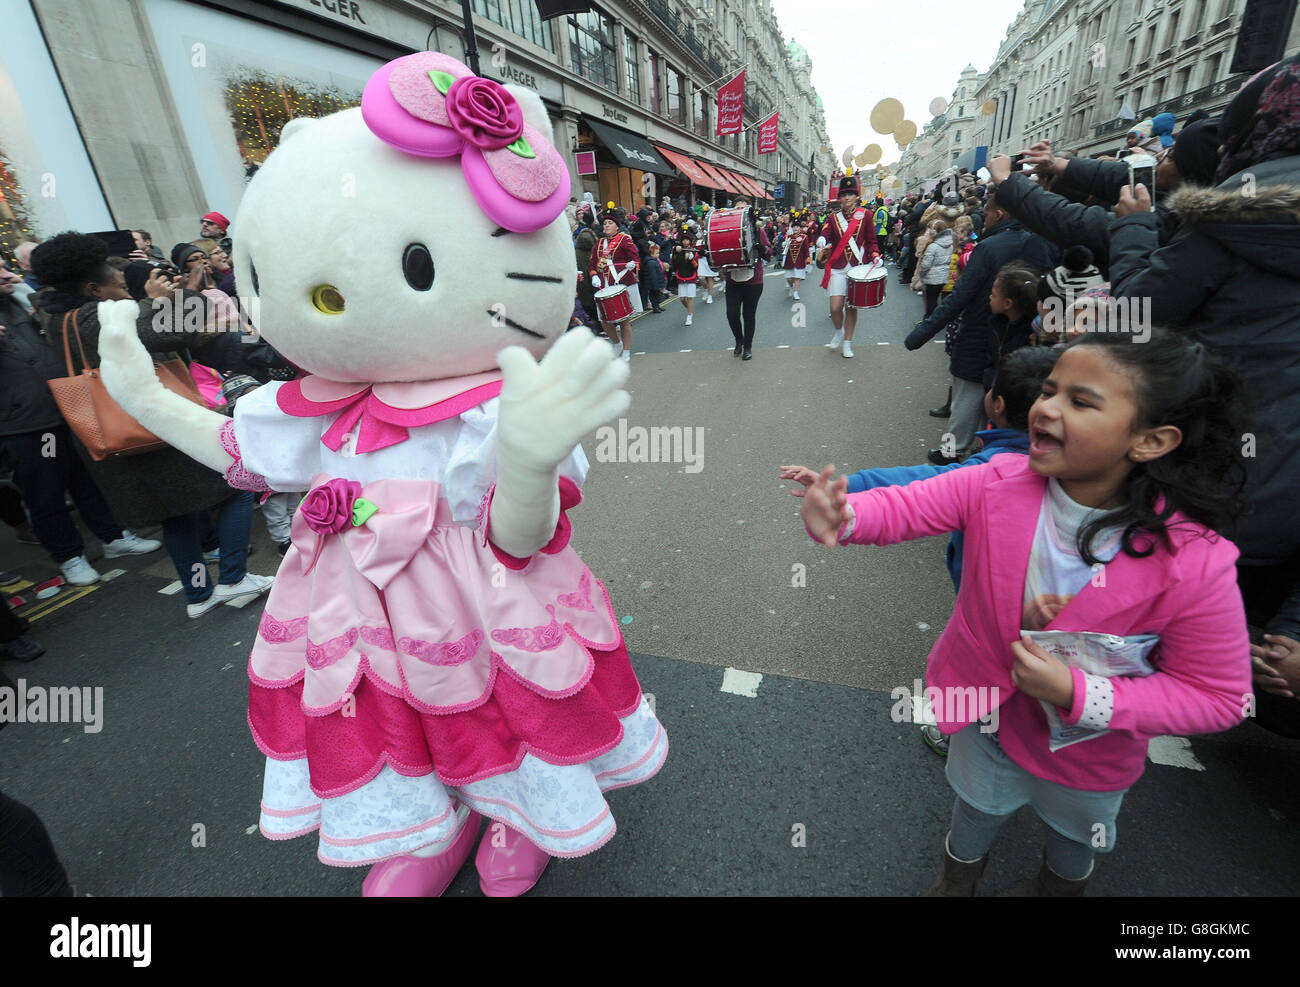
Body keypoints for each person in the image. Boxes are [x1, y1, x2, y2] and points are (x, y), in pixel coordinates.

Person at [801, 330, 1252, 896]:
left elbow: (1219, 696)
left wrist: (1078, 691)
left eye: (1080, 401)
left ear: (1151, 440)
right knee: (972, 815)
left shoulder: (1195, 561)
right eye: (1048, 390)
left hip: (1091, 755)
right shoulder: (997, 481)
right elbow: (908, 504)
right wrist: (846, 516)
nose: (1047, 407)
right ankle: (955, 883)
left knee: (1071, 843)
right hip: (987, 718)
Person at [1106, 53, 1300, 672]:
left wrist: (1134, 233)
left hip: (1208, 477)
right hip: (1280, 496)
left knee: (1128, 625)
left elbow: (1129, 317)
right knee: (1231, 649)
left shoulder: (1227, 222)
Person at [28, 231, 272, 616]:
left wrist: (151, 301)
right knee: (237, 486)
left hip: (125, 434)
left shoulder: (58, 316)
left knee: (175, 515)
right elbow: (179, 327)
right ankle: (234, 578)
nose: (120, 279)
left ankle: (198, 595)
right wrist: (176, 295)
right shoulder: (101, 318)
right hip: (156, 428)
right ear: (93, 288)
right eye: (114, 277)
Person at [0, 254, 162, 585]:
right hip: (31, 425)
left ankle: (113, 537)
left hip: (66, 407)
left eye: (5, 268)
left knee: (84, 478)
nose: (9, 276)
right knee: (47, 488)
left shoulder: (17, 303)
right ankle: (69, 556)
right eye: (0, 272)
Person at [905, 187, 1058, 464]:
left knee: (966, 397)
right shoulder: (1042, 242)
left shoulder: (989, 247)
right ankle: (990, 449)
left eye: (986, 213)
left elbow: (961, 295)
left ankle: (951, 451)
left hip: (979, 330)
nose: (982, 219)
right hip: (1021, 334)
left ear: (998, 214)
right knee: (1003, 394)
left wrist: (922, 332)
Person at [815, 176, 881, 358]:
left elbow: (871, 241)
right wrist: (822, 239)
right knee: (835, 307)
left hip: (857, 268)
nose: (847, 198)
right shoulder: (833, 217)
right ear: (840, 198)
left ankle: (848, 343)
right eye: (844, 195)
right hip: (837, 266)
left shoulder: (866, 215)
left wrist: (875, 255)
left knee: (851, 307)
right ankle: (838, 331)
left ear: (856, 197)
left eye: (850, 195)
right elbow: (825, 232)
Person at [720, 195, 771, 360]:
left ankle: (747, 347)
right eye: (737, 207)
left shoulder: (758, 230)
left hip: (753, 280)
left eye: (743, 208)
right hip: (732, 279)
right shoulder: (727, 229)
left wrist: (760, 246)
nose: (740, 210)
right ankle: (739, 340)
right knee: (732, 314)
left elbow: (769, 254)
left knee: (749, 315)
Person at [589, 212, 640, 361]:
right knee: (604, 320)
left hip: (622, 282)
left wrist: (632, 265)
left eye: (610, 223)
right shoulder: (598, 244)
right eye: (605, 224)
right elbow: (592, 265)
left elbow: (635, 259)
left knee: (624, 320)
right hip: (604, 284)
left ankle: (626, 349)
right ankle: (617, 343)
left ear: (617, 226)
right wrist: (594, 276)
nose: (606, 226)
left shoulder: (624, 239)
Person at [671, 229, 700, 326]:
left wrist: (691, 259)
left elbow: (696, 266)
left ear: (690, 241)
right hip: (681, 275)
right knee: (682, 299)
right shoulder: (678, 251)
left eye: (687, 240)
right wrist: (675, 253)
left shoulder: (694, 252)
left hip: (691, 275)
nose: (685, 242)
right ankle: (690, 310)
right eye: (683, 240)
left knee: (690, 297)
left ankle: (689, 316)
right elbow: (674, 264)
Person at [782, 214, 812, 301]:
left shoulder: (804, 237)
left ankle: (796, 292)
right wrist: (784, 244)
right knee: (789, 278)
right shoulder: (789, 237)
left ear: (800, 228)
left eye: (797, 227)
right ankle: (791, 287)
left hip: (799, 260)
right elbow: (784, 248)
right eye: (794, 227)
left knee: (797, 278)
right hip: (789, 260)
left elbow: (806, 249)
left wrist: (808, 258)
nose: (796, 228)